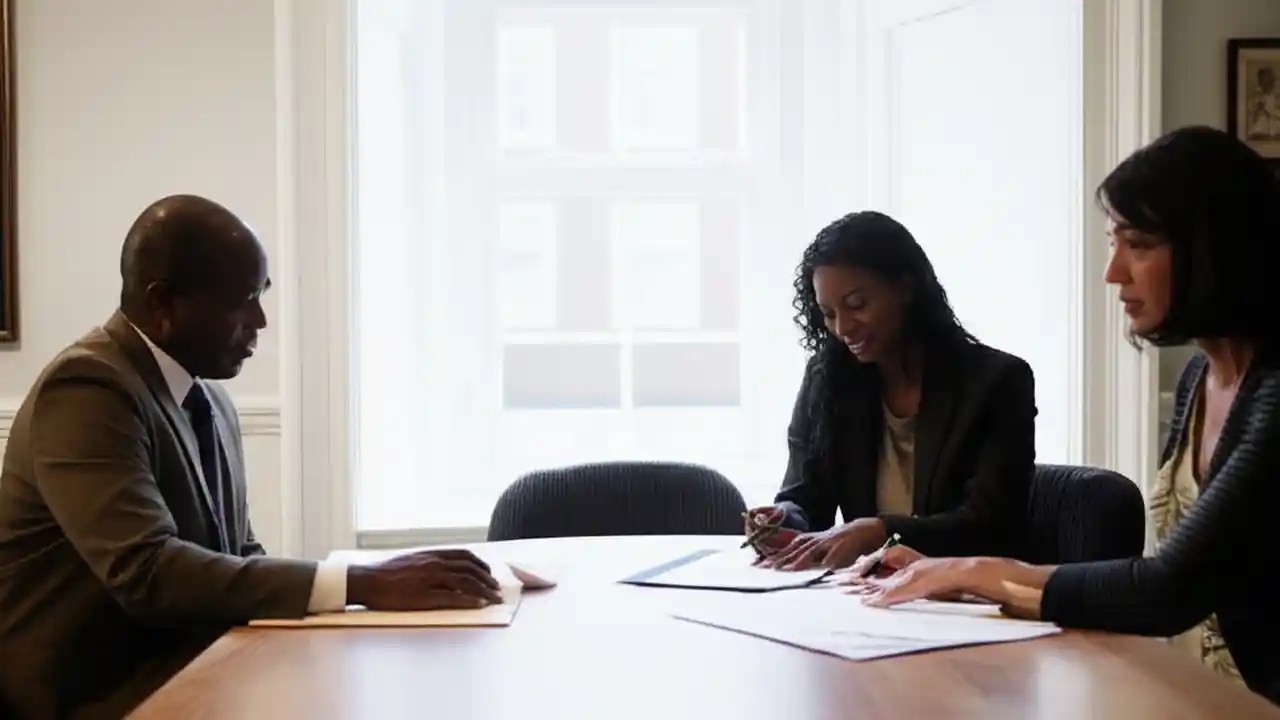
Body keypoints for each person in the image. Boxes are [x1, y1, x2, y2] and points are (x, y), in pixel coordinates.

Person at [0, 195, 503, 718]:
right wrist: (366, 584)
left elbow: (235, 558)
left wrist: (377, 590)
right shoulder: (88, 388)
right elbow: (148, 573)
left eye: (262, 295)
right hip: (95, 697)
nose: (260, 320)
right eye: (243, 300)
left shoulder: (208, 395)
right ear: (163, 305)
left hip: (195, 673)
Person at [850, 126, 1280, 704]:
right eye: (1113, 242)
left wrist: (977, 571)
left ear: (1215, 247)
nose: (1114, 272)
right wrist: (964, 579)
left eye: (1140, 244)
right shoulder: (1201, 378)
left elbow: (1169, 590)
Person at [745, 211, 1037, 571]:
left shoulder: (997, 382)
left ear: (906, 287)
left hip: (964, 599)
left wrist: (883, 531)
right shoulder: (828, 378)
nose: (842, 327)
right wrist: (783, 520)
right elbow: (805, 498)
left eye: (857, 305)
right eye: (828, 313)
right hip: (868, 594)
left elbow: (989, 526)